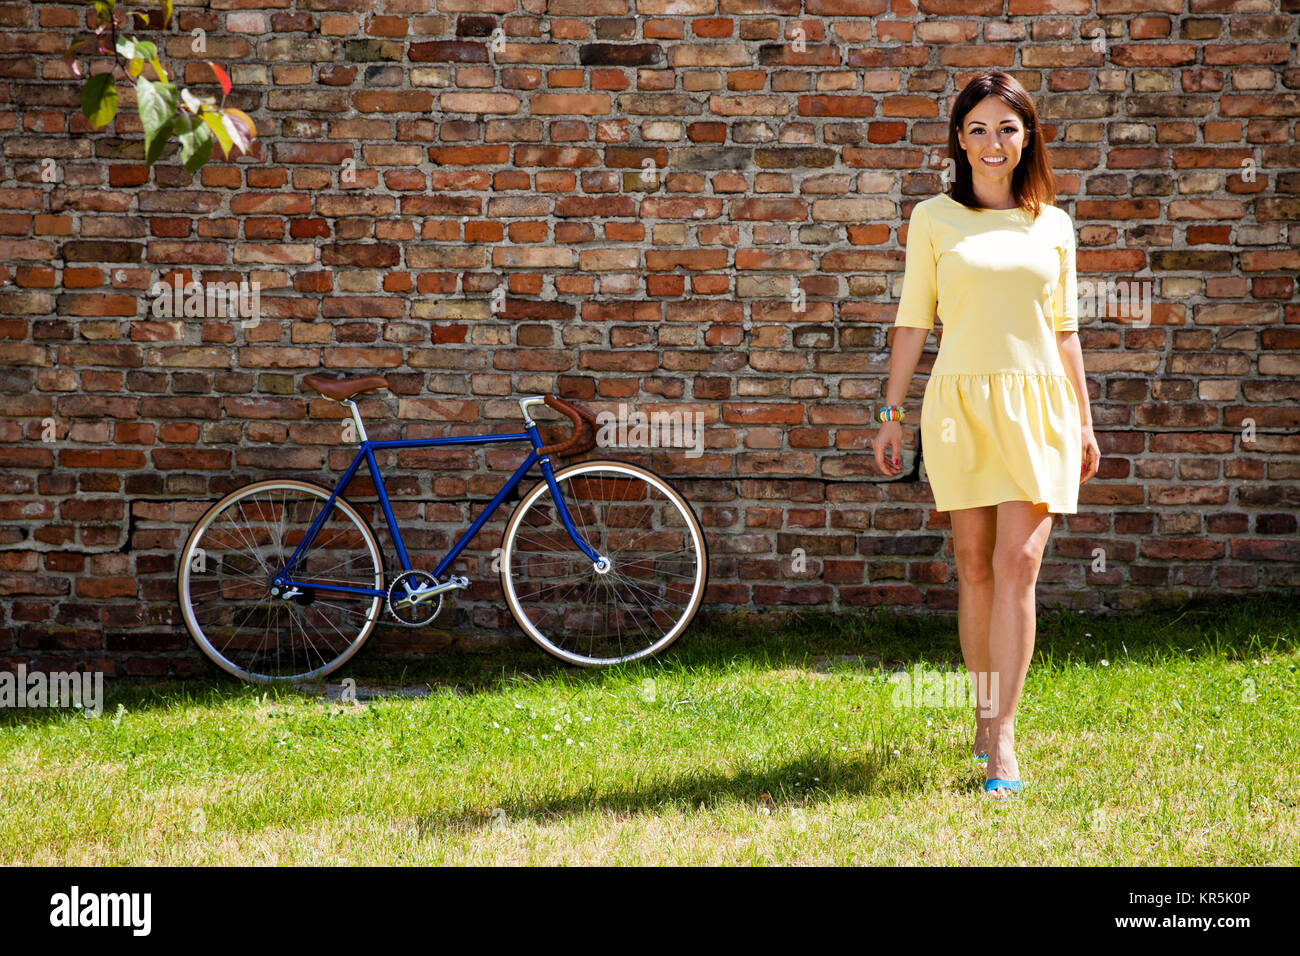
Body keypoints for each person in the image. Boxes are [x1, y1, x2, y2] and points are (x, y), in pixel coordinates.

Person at [872, 70, 1101, 799]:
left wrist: (1085, 419)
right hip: (958, 406)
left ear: (1027, 136)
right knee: (973, 564)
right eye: (977, 128)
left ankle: (1003, 738)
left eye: (1006, 127)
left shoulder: (1054, 225)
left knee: (1018, 564)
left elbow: (1064, 332)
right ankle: (982, 713)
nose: (992, 142)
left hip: (1040, 409)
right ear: (959, 139)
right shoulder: (933, 217)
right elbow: (914, 318)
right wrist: (890, 413)